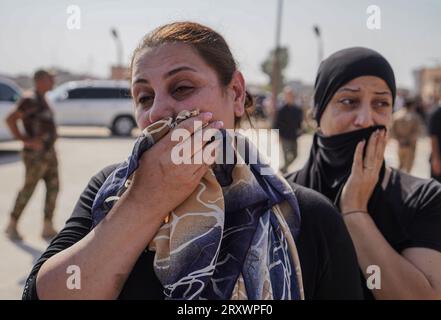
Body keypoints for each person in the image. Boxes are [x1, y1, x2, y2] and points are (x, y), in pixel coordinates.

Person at [22, 22, 363, 300]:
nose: (157, 111)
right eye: (144, 97)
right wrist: (143, 203)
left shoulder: (305, 216)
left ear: (237, 93)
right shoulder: (109, 192)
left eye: (182, 88)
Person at [287, 47, 441, 299]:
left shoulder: (425, 199)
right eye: (349, 101)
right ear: (318, 113)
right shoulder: (281, 197)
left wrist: (355, 212)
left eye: (381, 103)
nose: (365, 119)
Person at [4, 69, 59, 240]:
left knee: (53, 188)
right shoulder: (29, 99)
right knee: (29, 189)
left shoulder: (44, 99)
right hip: (35, 155)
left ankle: (47, 226)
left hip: (49, 153)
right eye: (50, 78)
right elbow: (10, 119)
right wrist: (25, 140)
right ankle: (12, 224)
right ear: (40, 80)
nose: (53, 81)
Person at [273, 86, 304, 173]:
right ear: (285, 97)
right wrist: (278, 136)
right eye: (287, 95)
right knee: (286, 157)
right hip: (284, 137)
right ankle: (285, 173)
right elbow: (276, 124)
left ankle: (284, 169)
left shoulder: (297, 110)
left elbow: (299, 123)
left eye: (291, 95)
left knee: (296, 155)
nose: (289, 97)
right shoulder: (281, 110)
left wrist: (301, 130)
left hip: (294, 136)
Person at [390, 98, 423, 173]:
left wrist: (399, 139)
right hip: (410, 145)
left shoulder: (396, 115)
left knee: (399, 165)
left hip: (400, 144)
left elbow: (391, 130)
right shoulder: (415, 117)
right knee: (408, 167)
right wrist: (408, 139)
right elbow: (418, 131)